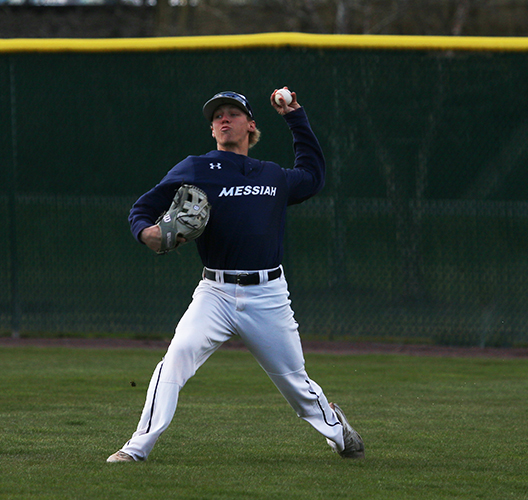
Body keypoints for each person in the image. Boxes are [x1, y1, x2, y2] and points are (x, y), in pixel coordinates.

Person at [107, 89, 364, 463]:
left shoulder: (272, 176)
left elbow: (312, 177)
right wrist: (144, 231)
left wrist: (295, 117)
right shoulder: (196, 167)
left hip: (268, 295)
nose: (224, 119)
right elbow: (143, 207)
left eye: (232, 113)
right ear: (213, 129)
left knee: (295, 382)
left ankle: (338, 432)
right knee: (176, 358)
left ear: (251, 125)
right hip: (215, 292)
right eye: (217, 116)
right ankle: (136, 448)